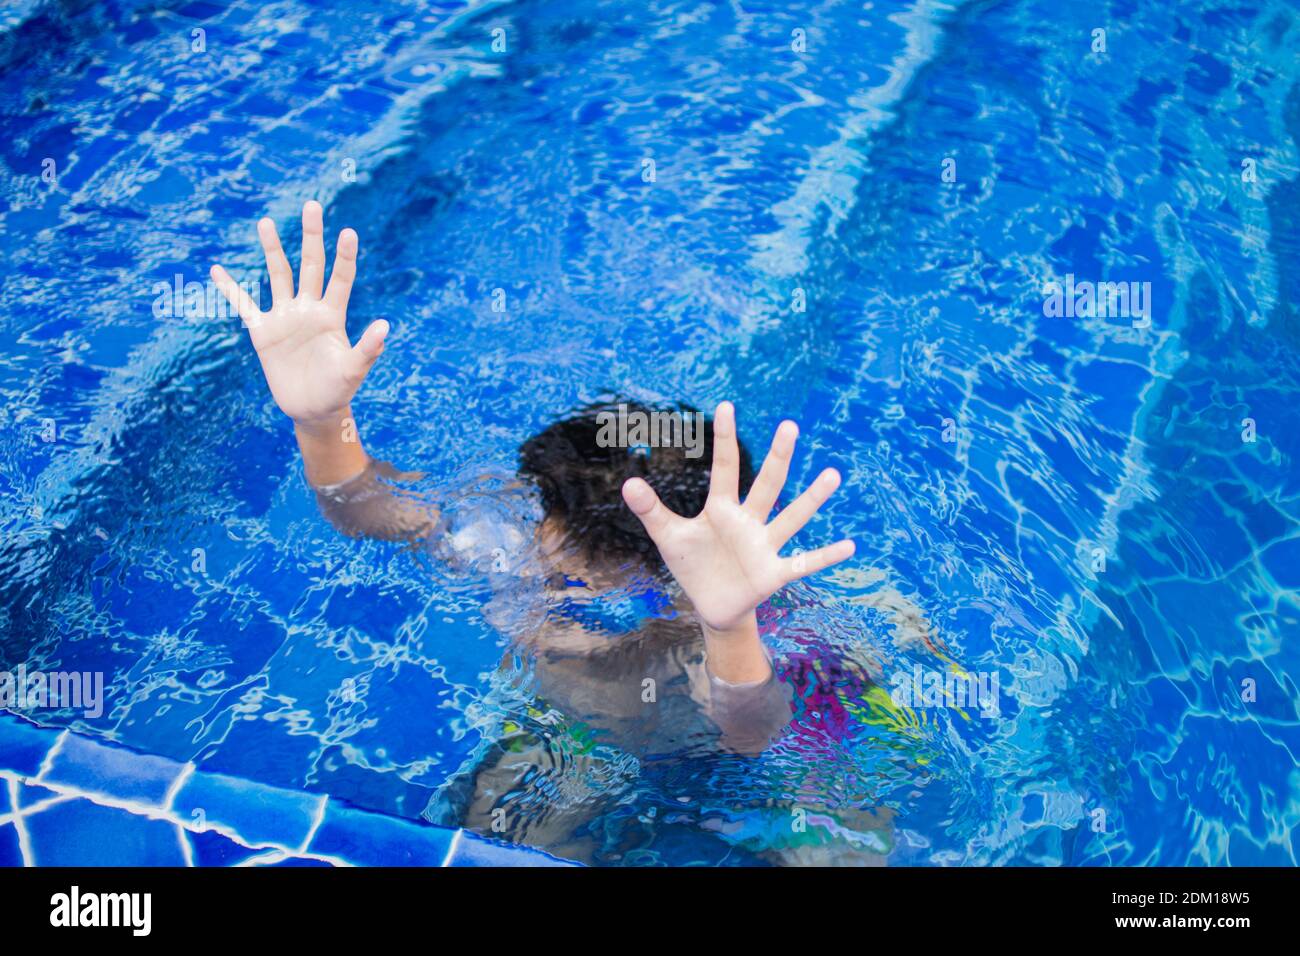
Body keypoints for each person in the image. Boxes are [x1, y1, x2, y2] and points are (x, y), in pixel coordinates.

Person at [211, 201, 904, 864]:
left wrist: (727, 627)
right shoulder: (521, 550)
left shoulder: (736, 611)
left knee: (839, 852)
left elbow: (753, 738)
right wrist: (319, 419)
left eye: (590, 554)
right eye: (551, 518)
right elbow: (368, 509)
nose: (550, 553)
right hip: (579, 740)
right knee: (491, 842)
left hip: (771, 752)